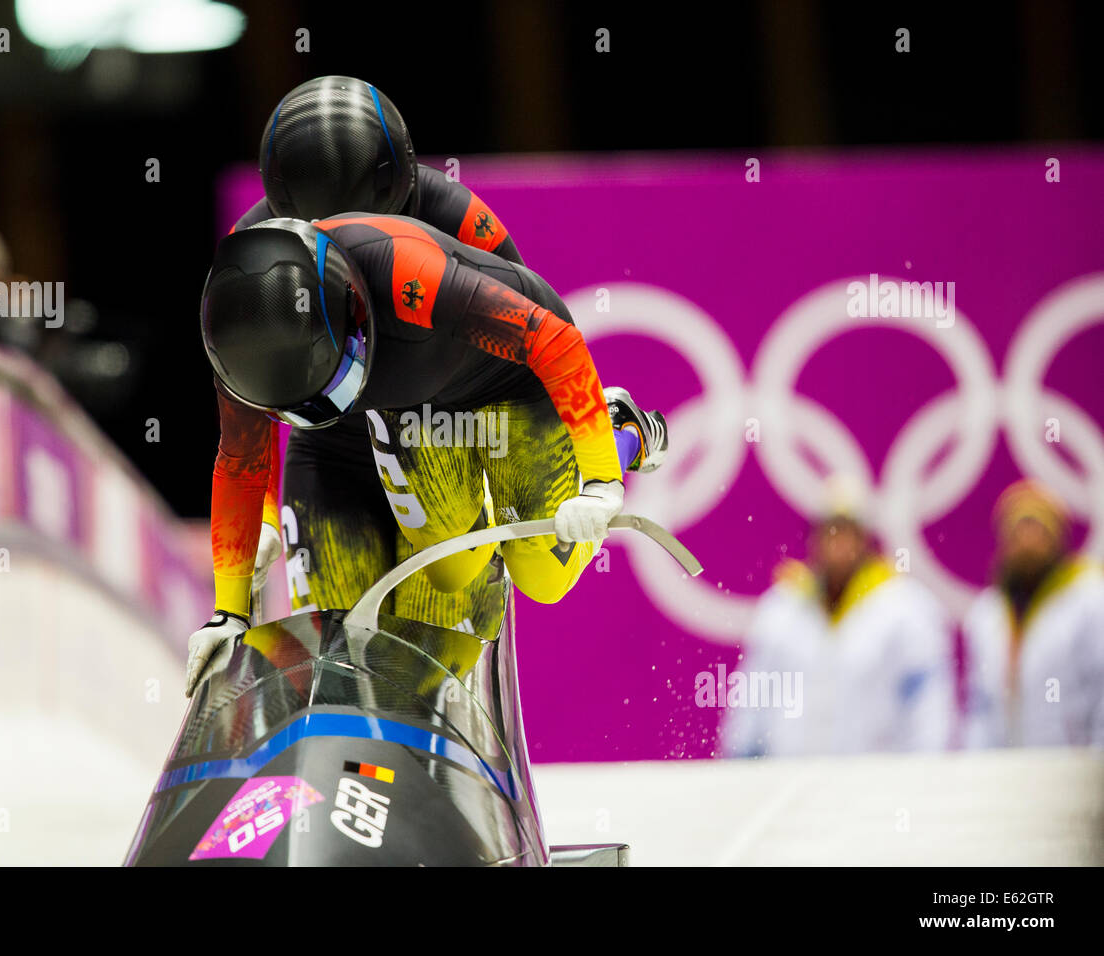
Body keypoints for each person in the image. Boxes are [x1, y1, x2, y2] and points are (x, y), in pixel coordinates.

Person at [219, 75, 663, 644]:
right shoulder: (252, 265)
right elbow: (242, 432)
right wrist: (233, 586)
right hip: (338, 424)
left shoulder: (442, 230)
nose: (347, 234)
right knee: (333, 639)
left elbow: (537, 341)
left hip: (447, 401)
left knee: (511, 575)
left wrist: (599, 475)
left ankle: (616, 430)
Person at [184, 213, 666, 695]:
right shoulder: (241, 357)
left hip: (517, 383)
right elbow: (240, 465)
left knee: (542, 577)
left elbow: (554, 341)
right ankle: (489, 510)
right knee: (448, 569)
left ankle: (619, 429)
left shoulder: (412, 274)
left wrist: (602, 480)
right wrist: (228, 614)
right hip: (416, 402)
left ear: (353, 306)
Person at [722, 476, 956, 756]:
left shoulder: (905, 609)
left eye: (847, 533)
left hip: (871, 785)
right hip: (790, 782)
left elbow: (929, 709)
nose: (838, 544)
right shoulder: (782, 609)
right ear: (815, 539)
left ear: (864, 539)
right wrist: (739, 762)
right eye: (830, 532)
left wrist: (923, 777)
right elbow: (752, 703)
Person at [961, 479, 1104, 748]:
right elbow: (980, 708)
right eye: (1018, 531)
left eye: (1037, 530)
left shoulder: (1090, 601)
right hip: (1011, 772)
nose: (1027, 542)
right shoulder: (988, 614)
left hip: (1073, 768)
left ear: (1056, 539)